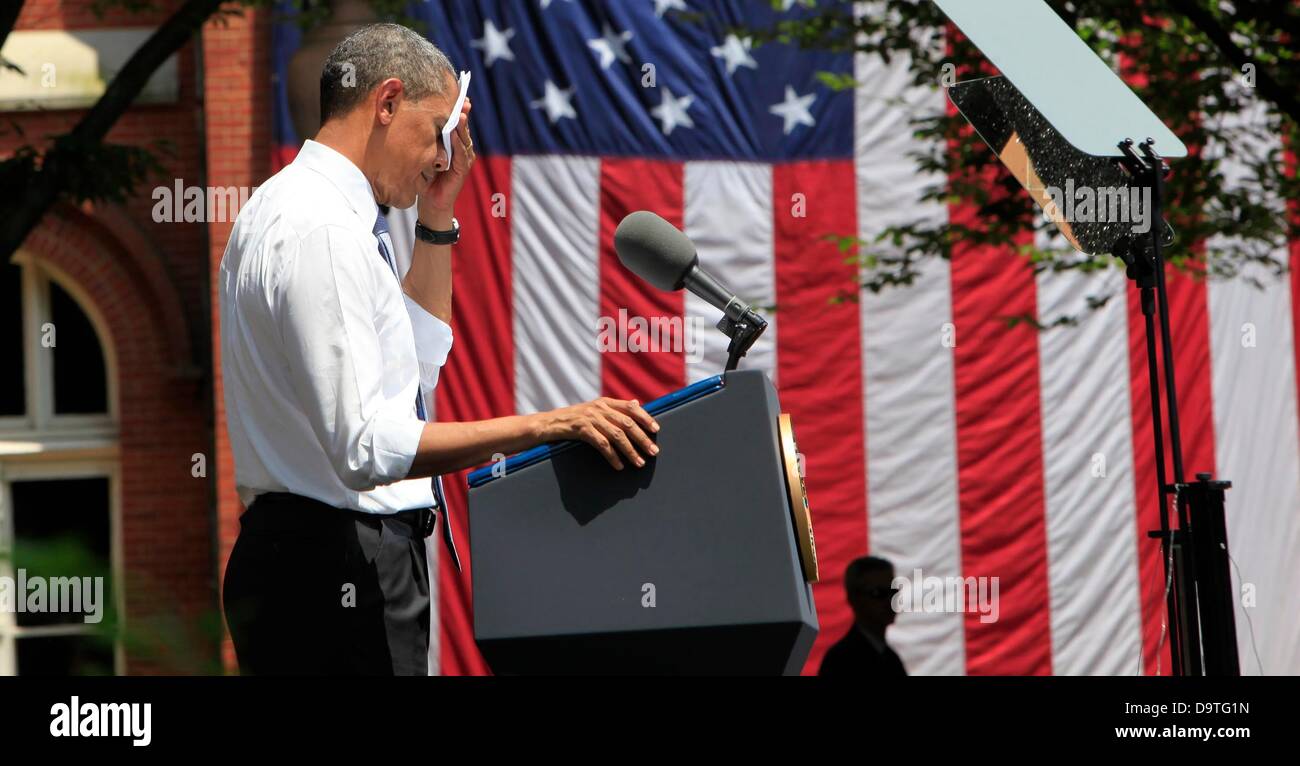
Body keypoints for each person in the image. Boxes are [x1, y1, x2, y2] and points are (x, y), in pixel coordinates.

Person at [218, 23, 659, 675]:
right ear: (388, 102)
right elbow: (367, 445)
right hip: (338, 568)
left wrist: (437, 217)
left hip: (327, 563)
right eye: (437, 129)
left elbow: (413, 379)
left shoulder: (305, 210)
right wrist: (546, 425)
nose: (442, 156)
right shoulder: (321, 228)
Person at [818, 556, 908, 677]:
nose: (890, 601)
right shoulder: (840, 661)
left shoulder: (891, 659)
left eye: (893, 592)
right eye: (878, 593)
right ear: (854, 599)